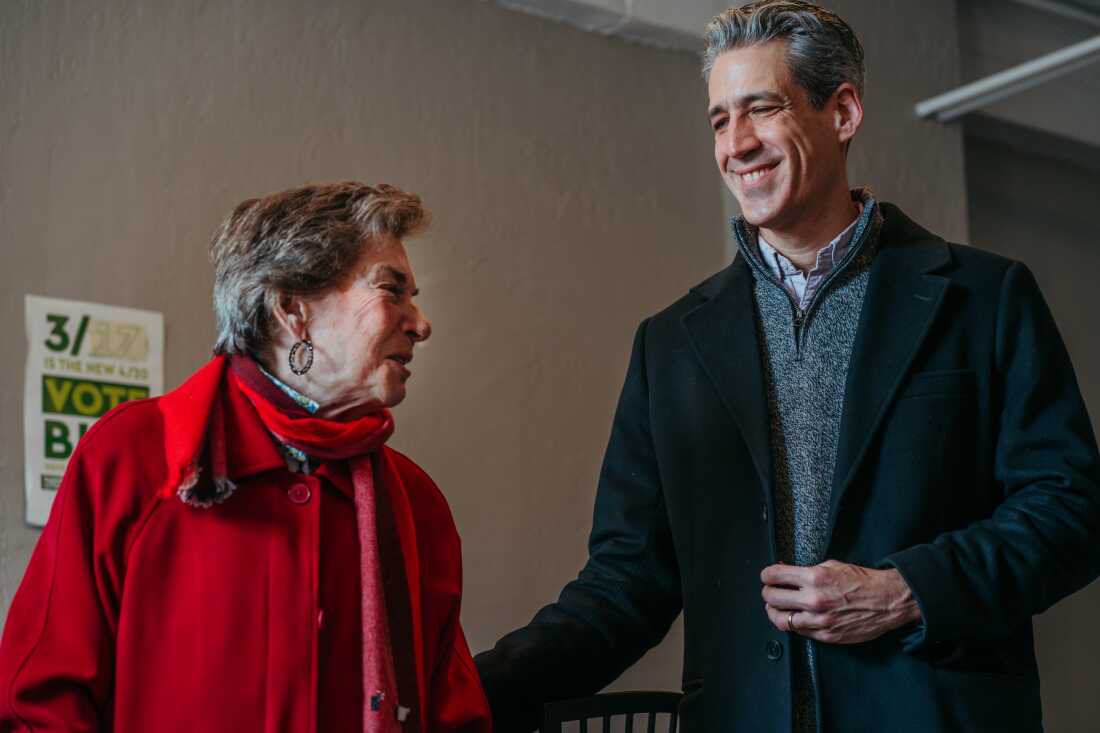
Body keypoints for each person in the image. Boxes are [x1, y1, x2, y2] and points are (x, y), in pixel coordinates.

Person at [474, 2, 1100, 731]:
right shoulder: (670, 344)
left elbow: (1071, 511)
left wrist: (908, 589)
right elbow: (626, 582)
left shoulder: (987, 299)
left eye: (761, 109)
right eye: (718, 120)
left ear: (843, 111)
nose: (736, 144)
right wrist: (465, 690)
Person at [0, 182, 491, 732]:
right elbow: (39, 707)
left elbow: (455, 716)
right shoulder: (133, 457)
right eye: (391, 291)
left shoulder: (416, 506)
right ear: (292, 309)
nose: (420, 324)